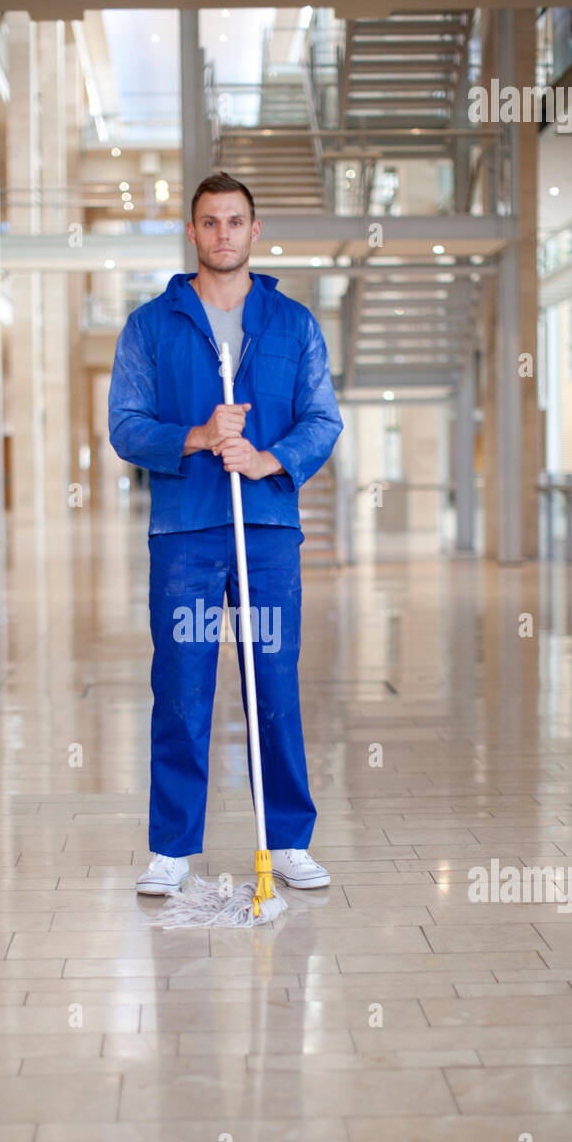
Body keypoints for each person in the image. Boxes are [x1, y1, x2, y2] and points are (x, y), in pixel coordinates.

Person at [108, 171, 342, 895]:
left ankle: (289, 839)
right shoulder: (151, 325)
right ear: (192, 232)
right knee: (181, 687)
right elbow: (126, 426)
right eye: (209, 222)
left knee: (272, 683)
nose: (223, 234)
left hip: (267, 530)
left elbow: (323, 419)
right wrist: (200, 436)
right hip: (185, 535)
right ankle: (172, 849)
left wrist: (270, 458)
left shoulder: (293, 323)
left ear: (254, 229)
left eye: (235, 221)